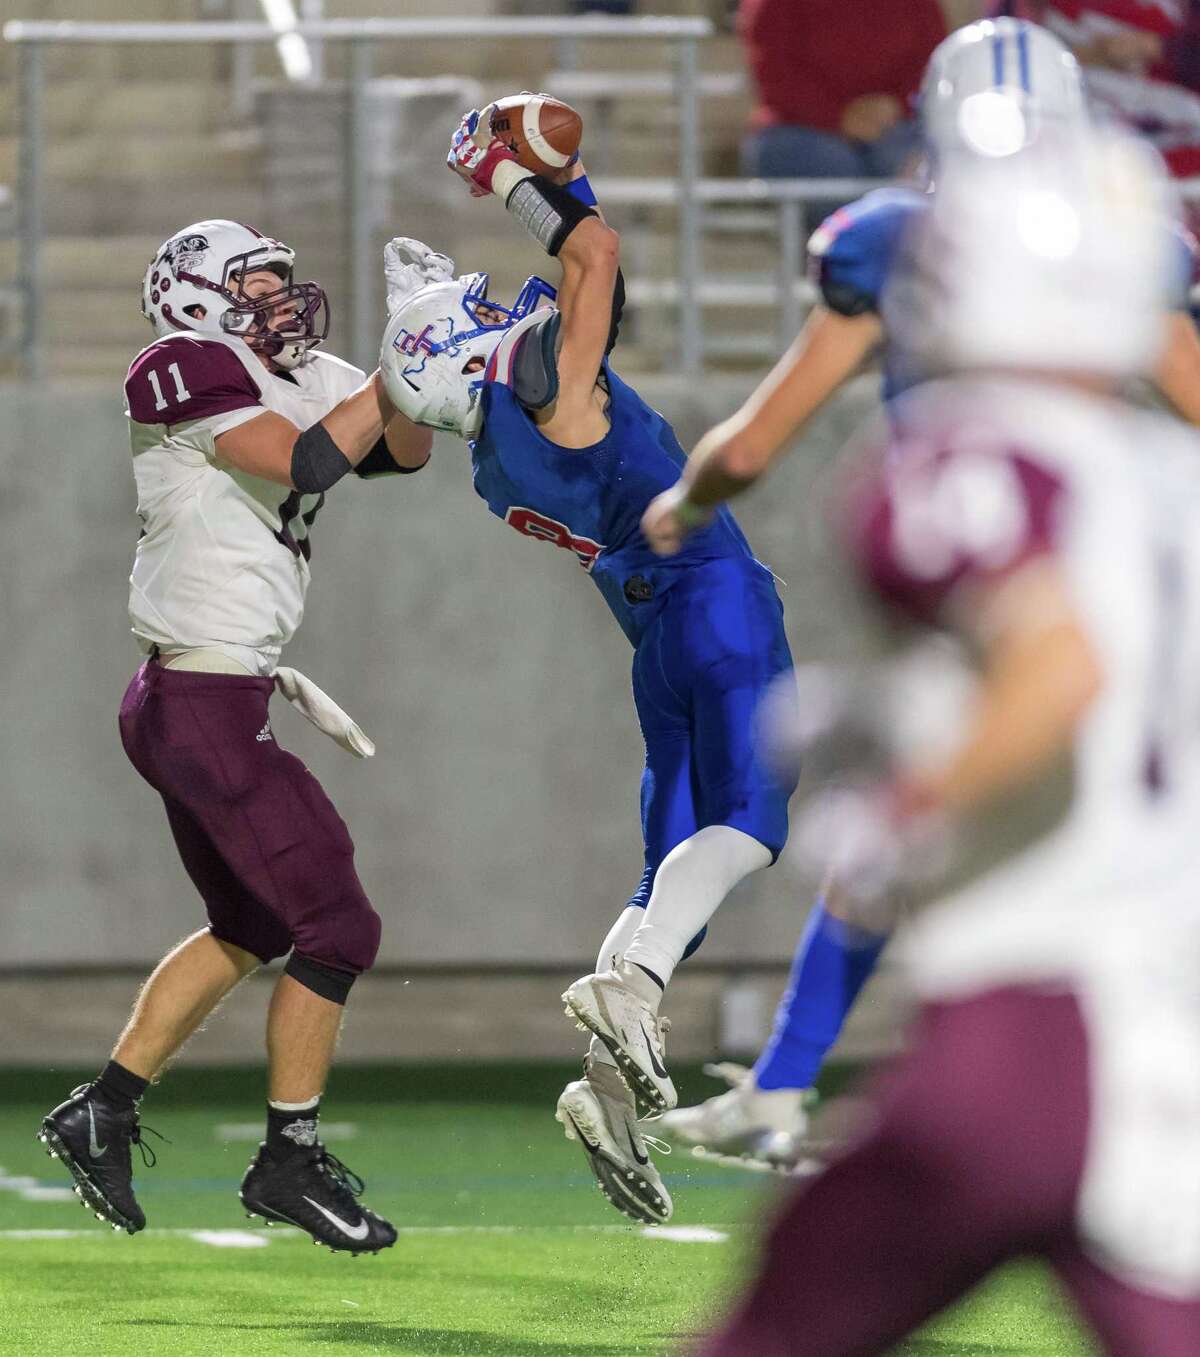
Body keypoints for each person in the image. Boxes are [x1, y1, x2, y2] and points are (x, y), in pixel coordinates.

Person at [641, 15, 1200, 1171]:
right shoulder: (1113, 230)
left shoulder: (899, 237)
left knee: (948, 821)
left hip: (979, 562)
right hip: (1106, 555)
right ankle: (789, 1085)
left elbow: (756, 442)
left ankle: (846, 1088)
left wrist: (684, 502)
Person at [375, 111, 796, 1225]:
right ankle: (629, 988)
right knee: (752, 826)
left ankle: (604, 1092)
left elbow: (567, 269)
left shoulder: (494, 459)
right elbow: (593, 256)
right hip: (711, 600)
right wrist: (510, 174)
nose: (497, 308)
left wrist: (556, 176)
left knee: (670, 875)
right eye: (473, 318)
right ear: (467, 358)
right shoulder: (555, 399)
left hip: (651, 642)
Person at [36, 219, 432, 1255]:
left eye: (278, 279)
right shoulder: (185, 363)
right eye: (255, 279)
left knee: (253, 926)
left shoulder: (293, 368)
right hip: (200, 702)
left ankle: (104, 1107)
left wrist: (423, 349)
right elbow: (305, 455)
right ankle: (287, 1158)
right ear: (198, 294)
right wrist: (399, 366)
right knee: (339, 928)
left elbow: (405, 447)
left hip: (207, 698)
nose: (279, 296)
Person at [737, 0, 945, 180]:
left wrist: (897, 104)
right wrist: (838, 116)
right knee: (831, 169)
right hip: (798, 129)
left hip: (897, 124)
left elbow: (934, 57)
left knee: (918, 164)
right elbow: (775, 69)